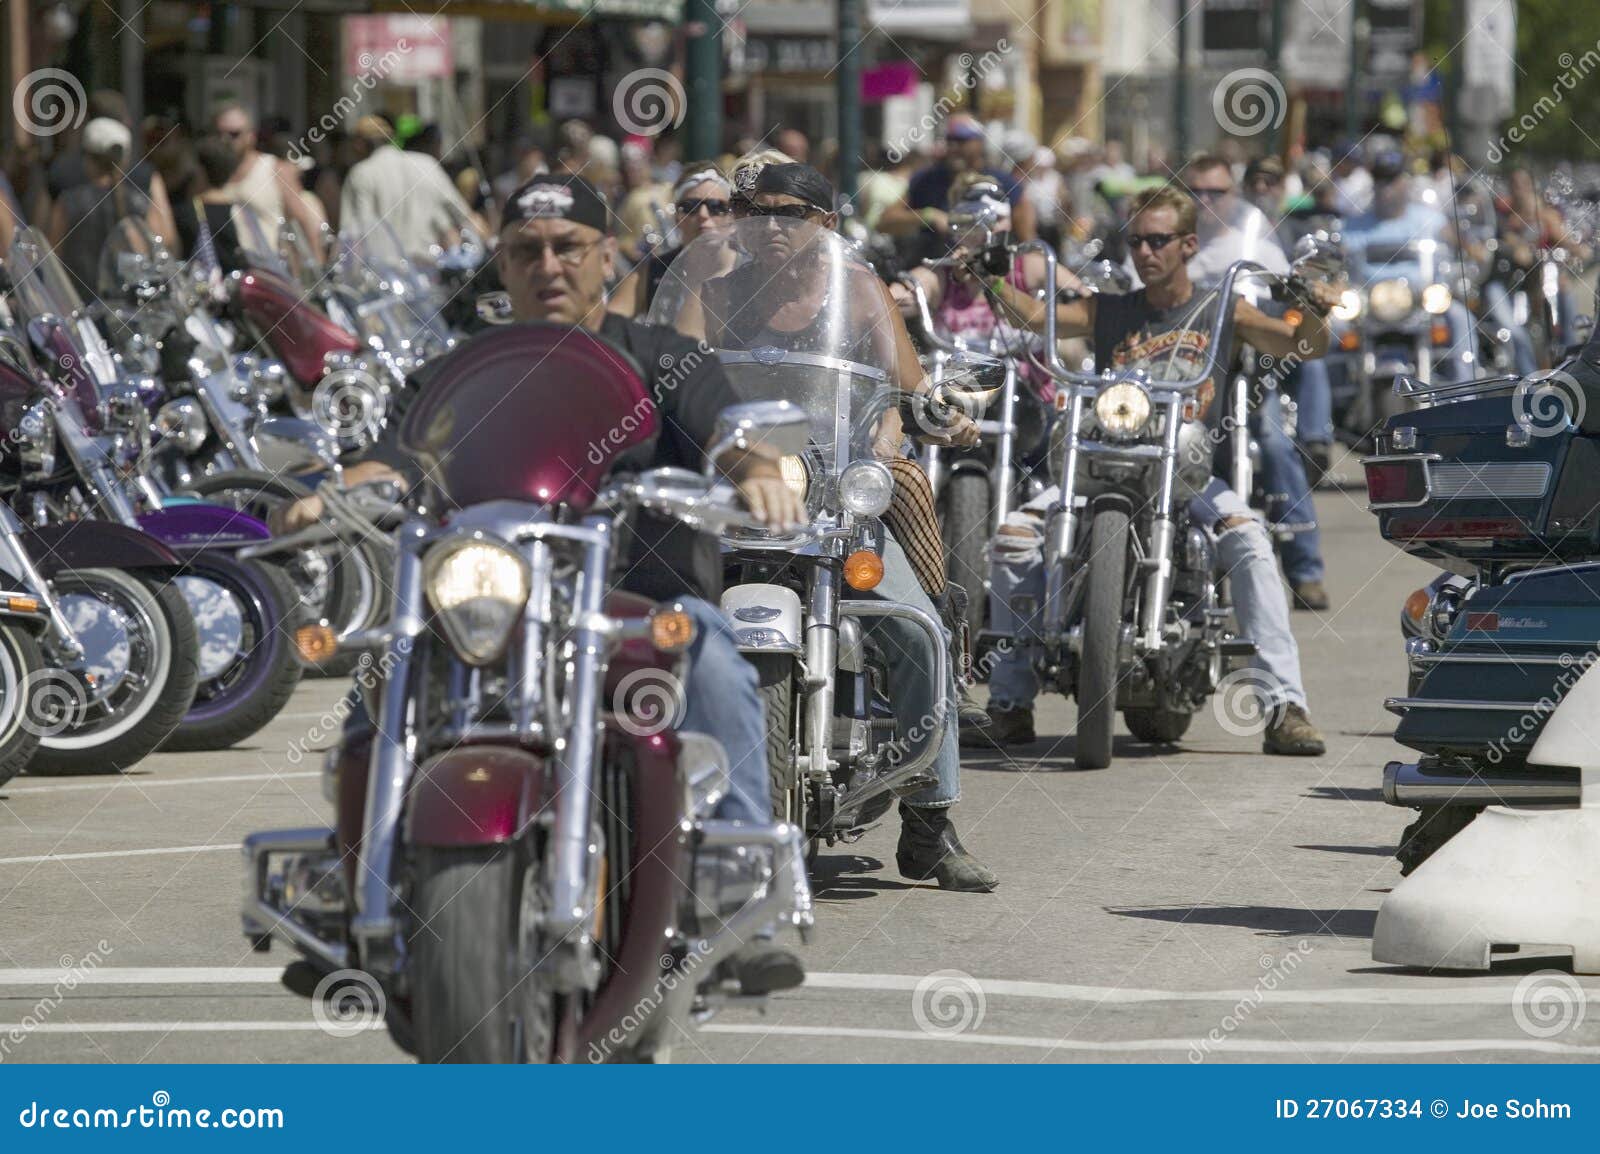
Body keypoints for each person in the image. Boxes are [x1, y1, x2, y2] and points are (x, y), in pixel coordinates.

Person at [279, 174, 808, 992]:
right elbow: (396, 456)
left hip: (638, 606)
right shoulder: (462, 372)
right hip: (494, 609)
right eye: (527, 251)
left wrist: (758, 473)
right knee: (388, 670)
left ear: (606, 255)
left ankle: (738, 887)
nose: (549, 266)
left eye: (569, 248)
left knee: (708, 653)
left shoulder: (661, 357)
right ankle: (355, 888)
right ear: (502, 263)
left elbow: (724, 435)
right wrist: (336, 489)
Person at [669, 162, 1000, 893]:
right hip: (735, 489)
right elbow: (673, 370)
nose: (771, 225)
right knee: (646, 615)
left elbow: (909, 384)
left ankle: (930, 822)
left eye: (790, 212)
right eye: (757, 210)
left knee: (915, 629)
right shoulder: (715, 291)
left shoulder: (858, 291)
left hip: (834, 495)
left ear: (825, 223)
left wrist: (931, 415)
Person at [976, 184, 1334, 756]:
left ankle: (1285, 706)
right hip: (1098, 468)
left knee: (1250, 541)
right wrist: (991, 277)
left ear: (1188, 244)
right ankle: (1009, 702)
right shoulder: (1111, 308)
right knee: (1014, 537)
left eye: (1158, 241)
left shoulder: (1222, 308)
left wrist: (1313, 307)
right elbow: (1038, 317)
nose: (1145, 252)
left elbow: (1304, 345)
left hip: (1187, 476)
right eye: (1137, 241)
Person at [1180, 155, 1330, 610]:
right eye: (1196, 192)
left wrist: (1300, 290)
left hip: (1247, 370)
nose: (1206, 201)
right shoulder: (1175, 243)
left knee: (1274, 442)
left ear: (1233, 195)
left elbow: (1286, 288)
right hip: (1188, 377)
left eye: (1216, 192)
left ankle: (1305, 570)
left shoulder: (1254, 240)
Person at [1339, 151, 1475, 385]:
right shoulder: (1352, 226)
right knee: (1330, 328)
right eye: (1380, 180)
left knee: (1462, 319)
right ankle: (1336, 396)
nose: (1387, 187)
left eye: (1392, 179)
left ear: (1405, 181)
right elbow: (1340, 264)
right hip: (1368, 308)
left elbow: (1456, 250)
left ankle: (1466, 392)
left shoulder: (1431, 220)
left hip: (1422, 303)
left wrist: (1469, 252)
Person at [46, 118, 157, 301]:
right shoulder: (141, 203)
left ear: (87, 159)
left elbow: (50, 261)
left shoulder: (67, 203)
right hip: (129, 308)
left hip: (78, 308)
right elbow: (163, 247)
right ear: (124, 159)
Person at [880, 115, 1037, 244]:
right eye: (950, 140)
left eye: (961, 140)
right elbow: (885, 222)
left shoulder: (1005, 183)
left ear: (979, 143)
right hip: (935, 266)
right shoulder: (926, 180)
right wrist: (929, 215)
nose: (953, 147)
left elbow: (1027, 239)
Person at [340, 115, 481, 257]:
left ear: (359, 144)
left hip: (384, 267)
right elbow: (465, 216)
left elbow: (354, 234)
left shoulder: (361, 173)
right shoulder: (427, 164)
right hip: (429, 265)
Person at [608, 162, 731, 318]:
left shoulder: (749, 271)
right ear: (676, 217)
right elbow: (610, 321)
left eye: (716, 206)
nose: (703, 214)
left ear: (732, 215)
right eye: (690, 206)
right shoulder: (654, 272)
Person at [213, 103, 324, 258]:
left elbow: (302, 222)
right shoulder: (210, 174)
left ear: (251, 135)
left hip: (270, 266)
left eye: (234, 134)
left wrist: (316, 263)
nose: (225, 140)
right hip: (227, 266)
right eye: (219, 133)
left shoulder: (274, 169)